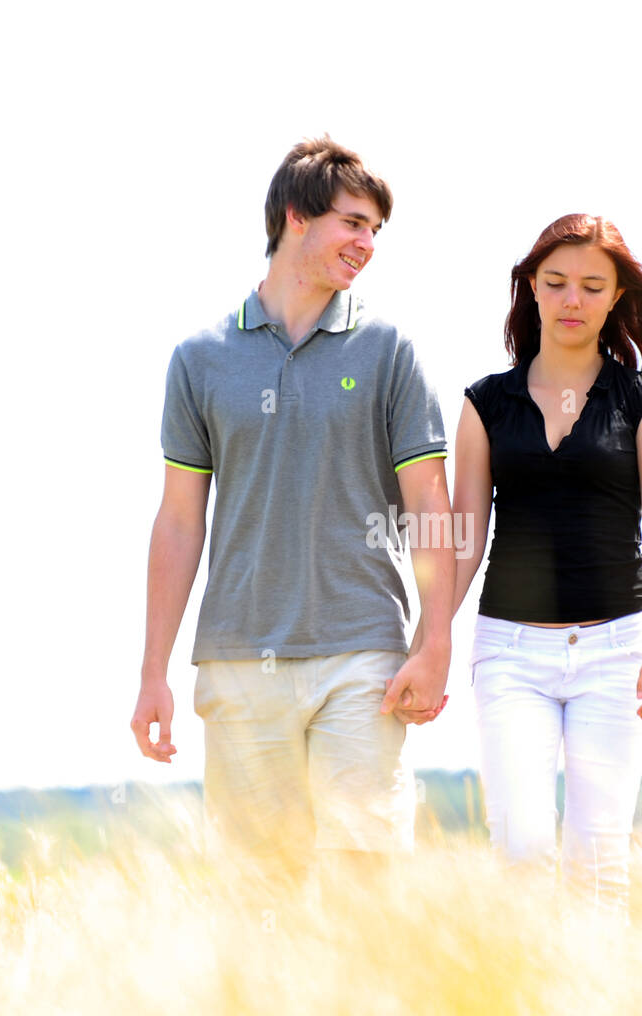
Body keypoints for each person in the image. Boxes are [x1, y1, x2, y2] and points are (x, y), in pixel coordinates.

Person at [130, 136, 455, 907]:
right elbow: (179, 523)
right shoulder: (201, 358)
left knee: (364, 885)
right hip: (240, 662)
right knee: (256, 896)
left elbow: (431, 506)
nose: (367, 245)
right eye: (353, 223)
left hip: (362, 657)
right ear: (294, 217)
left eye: (376, 230)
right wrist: (153, 671)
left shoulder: (388, 350)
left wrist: (435, 638)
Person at [451, 213, 642, 920]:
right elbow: (463, 535)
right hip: (511, 652)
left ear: (616, 297)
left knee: (598, 860)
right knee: (519, 849)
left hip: (616, 651)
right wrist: (431, 640)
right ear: (532, 288)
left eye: (590, 285)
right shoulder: (484, 404)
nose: (572, 299)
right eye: (555, 283)